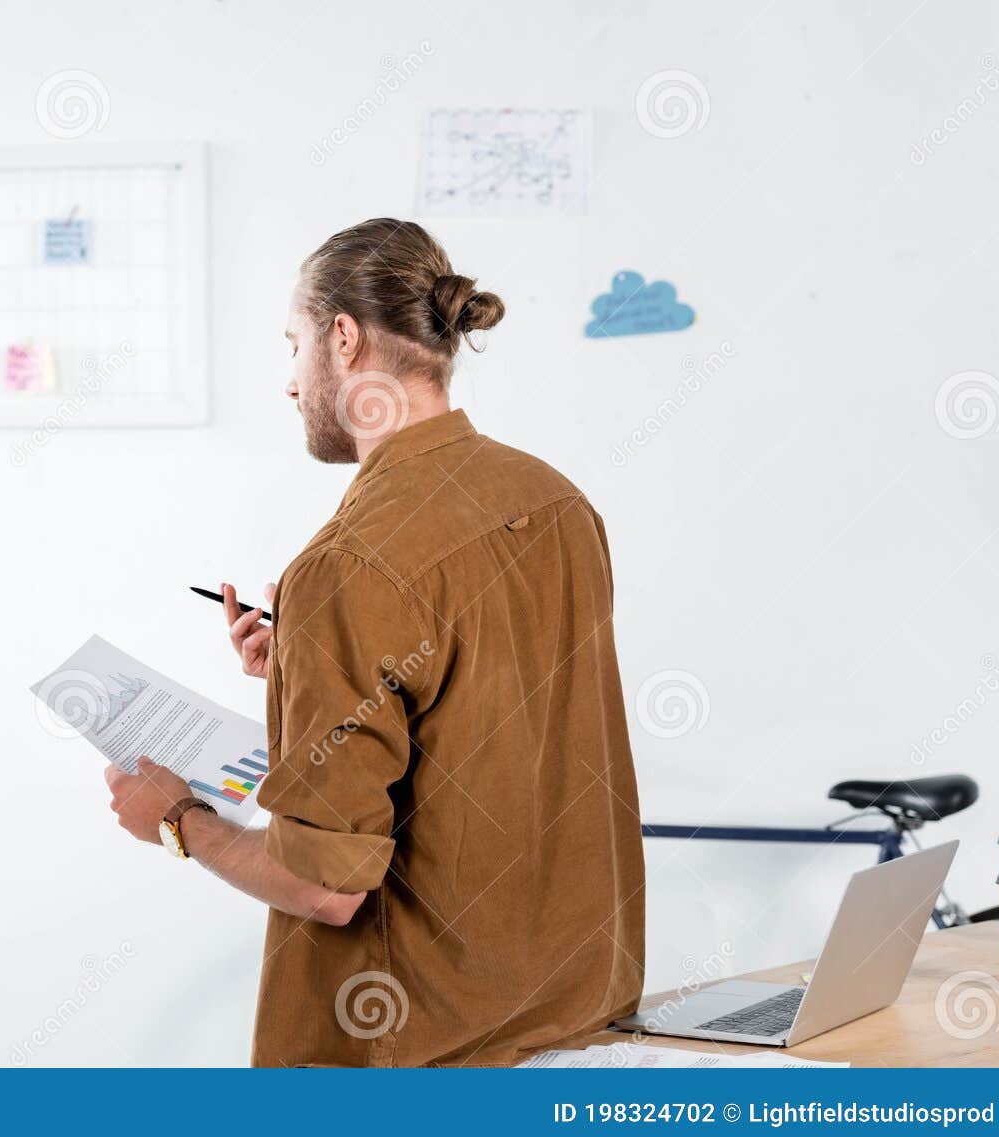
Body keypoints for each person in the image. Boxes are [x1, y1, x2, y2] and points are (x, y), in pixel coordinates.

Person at [103, 218, 645, 1066]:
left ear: (343, 338)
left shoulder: (348, 564)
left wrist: (176, 820)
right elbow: (486, 715)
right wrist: (308, 669)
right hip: (583, 1027)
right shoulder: (558, 503)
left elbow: (326, 889)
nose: (290, 382)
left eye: (293, 346)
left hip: (422, 1057)